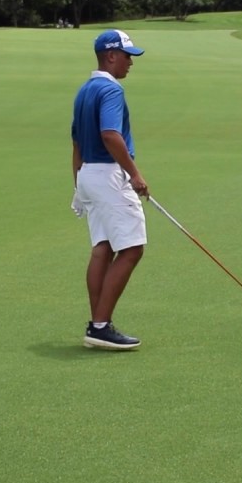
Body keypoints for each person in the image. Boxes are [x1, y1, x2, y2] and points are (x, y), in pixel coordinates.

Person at [71, 29, 150, 350]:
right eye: (128, 56)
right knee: (132, 248)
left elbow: (76, 141)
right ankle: (100, 325)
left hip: (89, 174)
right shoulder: (111, 91)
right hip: (108, 175)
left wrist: (78, 183)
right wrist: (135, 175)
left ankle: (98, 324)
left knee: (103, 248)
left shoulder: (84, 90)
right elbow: (110, 135)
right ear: (111, 56)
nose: (131, 62)